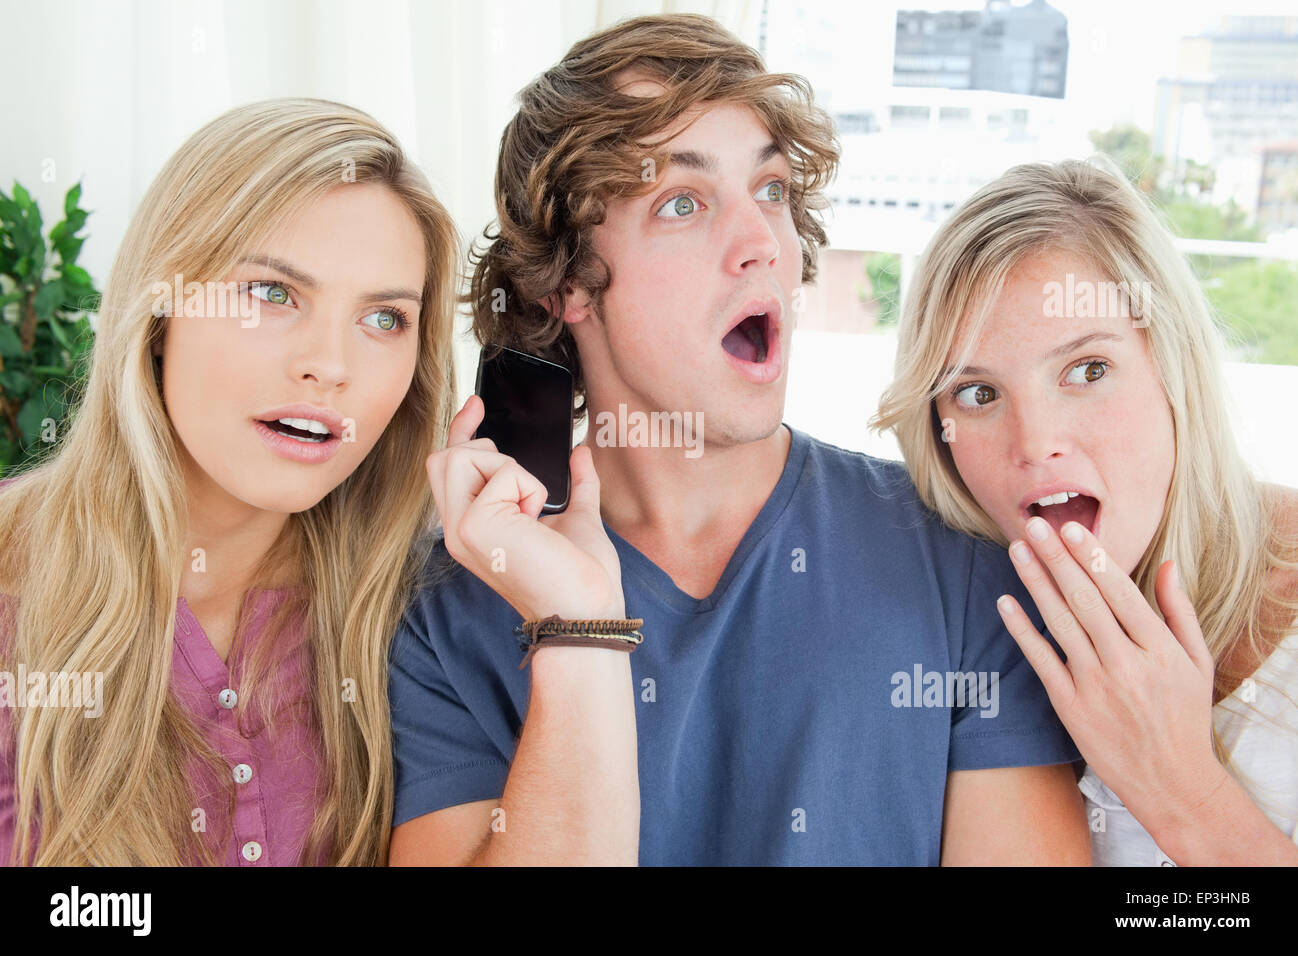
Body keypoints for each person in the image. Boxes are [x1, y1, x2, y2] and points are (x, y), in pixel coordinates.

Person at [388, 14, 1089, 866]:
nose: (762, 244)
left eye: (772, 191)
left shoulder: (965, 565)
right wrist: (574, 630)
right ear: (565, 282)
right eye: (684, 203)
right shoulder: (445, 615)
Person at [0, 98, 460, 865]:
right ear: (161, 310)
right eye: (273, 293)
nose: (331, 365)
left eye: (384, 318)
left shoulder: (419, 612)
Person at [874, 158, 1298, 865]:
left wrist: (1182, 792)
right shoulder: (958, 636)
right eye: (977, 394)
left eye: (1088, 370)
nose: (1037, 445)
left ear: (1173, 366)